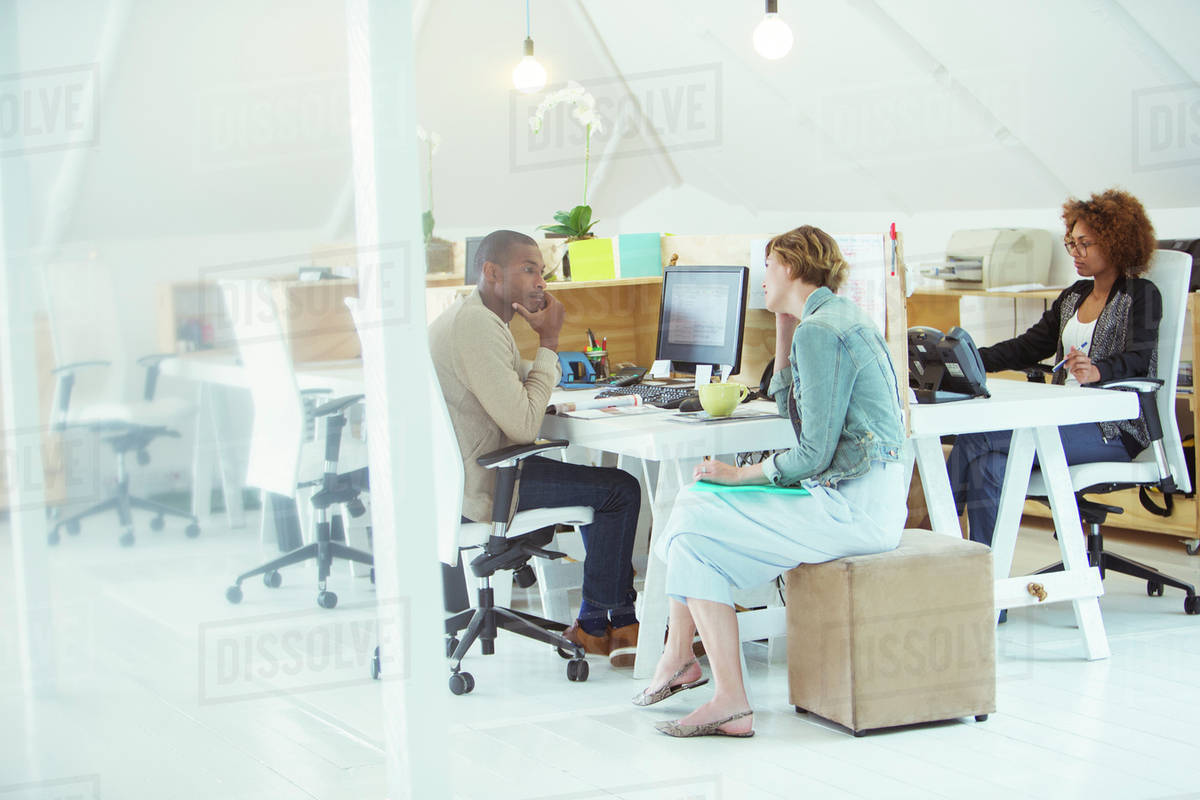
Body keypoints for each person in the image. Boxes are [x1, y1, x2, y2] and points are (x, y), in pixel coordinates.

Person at [633, 225, 907, 738]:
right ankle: (727, 699)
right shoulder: (820, 322)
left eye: (770, 265)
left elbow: (812, 452)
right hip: (843, 496)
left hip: (855, 507)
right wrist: (784, 328)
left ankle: (679, 656)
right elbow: (794, 409)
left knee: (695, 503)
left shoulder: (824, 330)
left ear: (794, 267)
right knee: (692, 540)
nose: (763, 277)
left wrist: (739, 475)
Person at [428, 229, 642, 668]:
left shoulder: (471, 318)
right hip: (486, 484)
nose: (540, 282)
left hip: (456, 481)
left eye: (541, 272)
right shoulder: (477, 327)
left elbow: (503, 375)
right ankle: (601, 625)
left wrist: (552, 373)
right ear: (491, 272)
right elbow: (525, 426)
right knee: (619, 490)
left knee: (605, 485)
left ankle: (618, 625)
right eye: (528, 270)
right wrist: (549, 343)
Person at [948, 188, 1162, 547]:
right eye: (1071, 243)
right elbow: (1027, 346)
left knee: (976, 437)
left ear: (1116, 243)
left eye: (1085, 244)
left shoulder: (1141, 295)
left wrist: (1098, 371)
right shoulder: (1074, 295)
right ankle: (985, 587)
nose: (1075, 253)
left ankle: (929, 528)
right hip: (1062, 418)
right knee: (989, 469)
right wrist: (968, 358)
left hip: (1112, 429)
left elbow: (1140, 359)